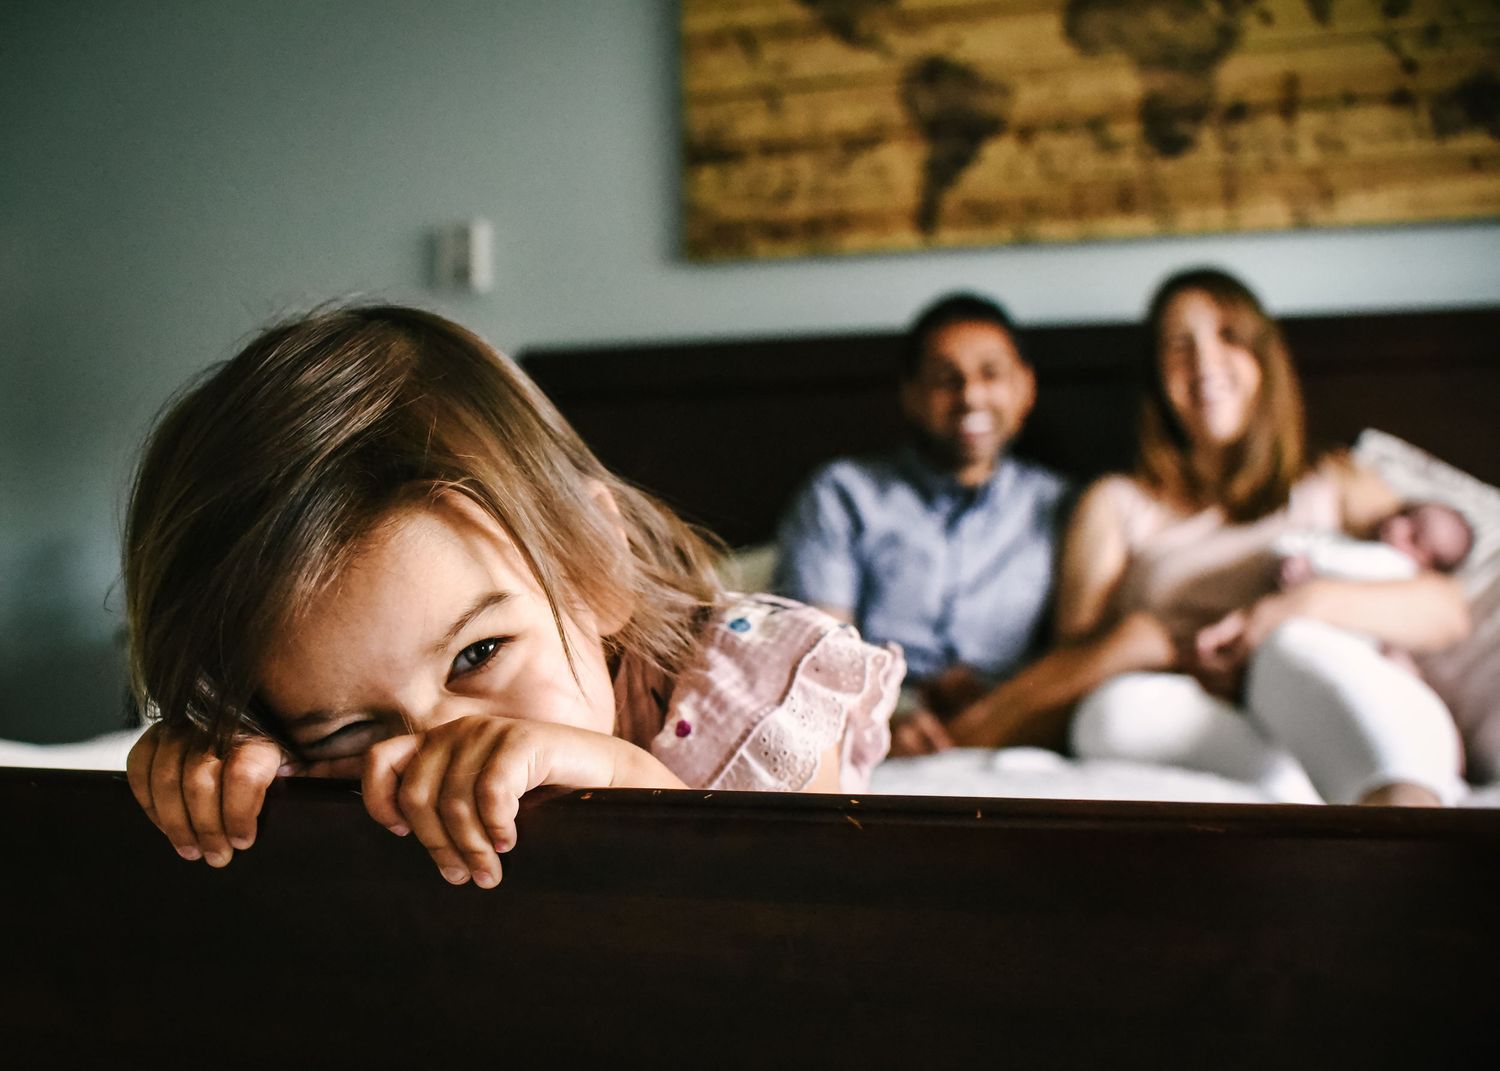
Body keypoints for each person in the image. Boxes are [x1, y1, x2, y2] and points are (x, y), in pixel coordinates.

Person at [124, 305, 903, 888]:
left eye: (478, 653)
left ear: (594, 568)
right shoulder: (337, 760)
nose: (433, 747)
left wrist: (620, 777)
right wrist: (225, 770)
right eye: (349, 729)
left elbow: (796, 917)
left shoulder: (766, 685)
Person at [951, 267, 1471, 806]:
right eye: (1179, 345)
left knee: (1287, 650)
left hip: (1347, 696)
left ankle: (1400, 808)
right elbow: (1075, 663)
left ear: (1263, 359)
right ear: (1156, 374)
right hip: (1203, 716)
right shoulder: (1118, 503)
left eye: (1227, 336)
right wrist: (1174, 651)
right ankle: (1307, 807)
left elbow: (1445, 610)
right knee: (1113, 714)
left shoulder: (1335, 480)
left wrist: (1288, 610)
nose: (1204, 363)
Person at [772, 293, 1072, 756]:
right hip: (879, 722)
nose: (970, 395)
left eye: (990, 374)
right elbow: (819, 654)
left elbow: (1077, 648)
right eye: (945, 379)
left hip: (1015, 722)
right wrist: (893, 712)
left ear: (1025, 388)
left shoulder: (1063, 507)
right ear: (910, 395)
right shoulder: (844, 493)